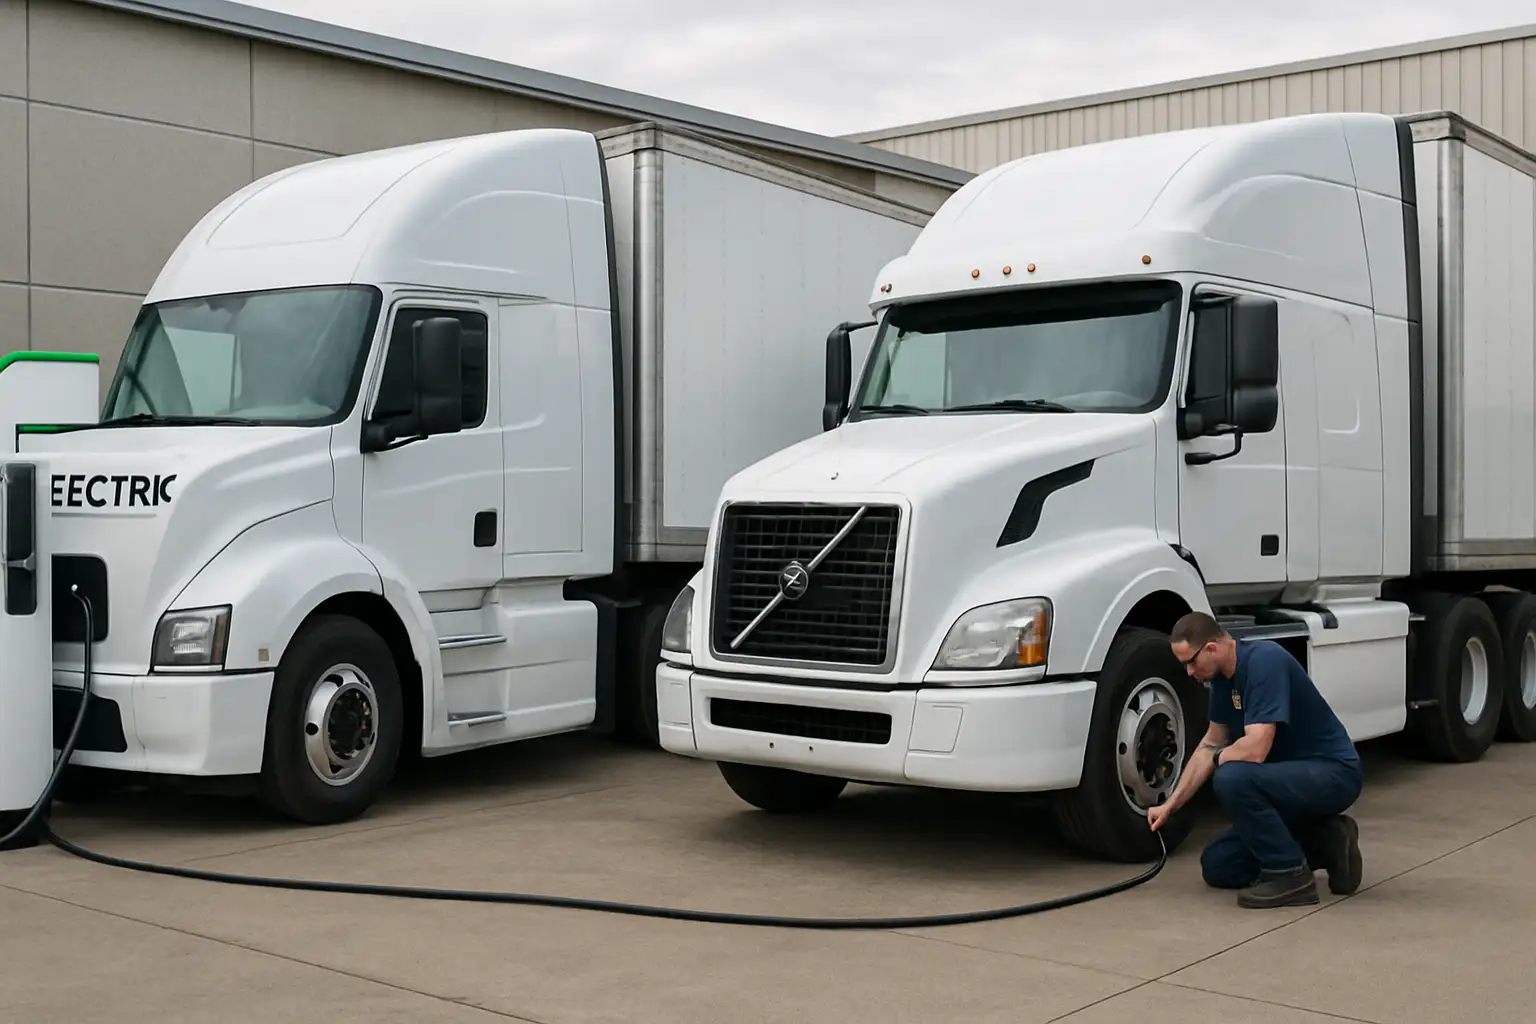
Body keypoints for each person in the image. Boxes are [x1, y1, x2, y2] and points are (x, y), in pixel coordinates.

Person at [1147, 612, 1365, 908]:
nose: (1188, 672)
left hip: (1332, 773)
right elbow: (1209, 745)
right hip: (1284, 782)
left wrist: (1219, 758)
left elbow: (1256, 749)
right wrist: (1170, 805)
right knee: (1218, 865)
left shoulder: (1264, 661)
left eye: (1191, 662)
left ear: (1212, 648)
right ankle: (1327, 843)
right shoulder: (1223, 680)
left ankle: (1290, 876)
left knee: (1232, 777)